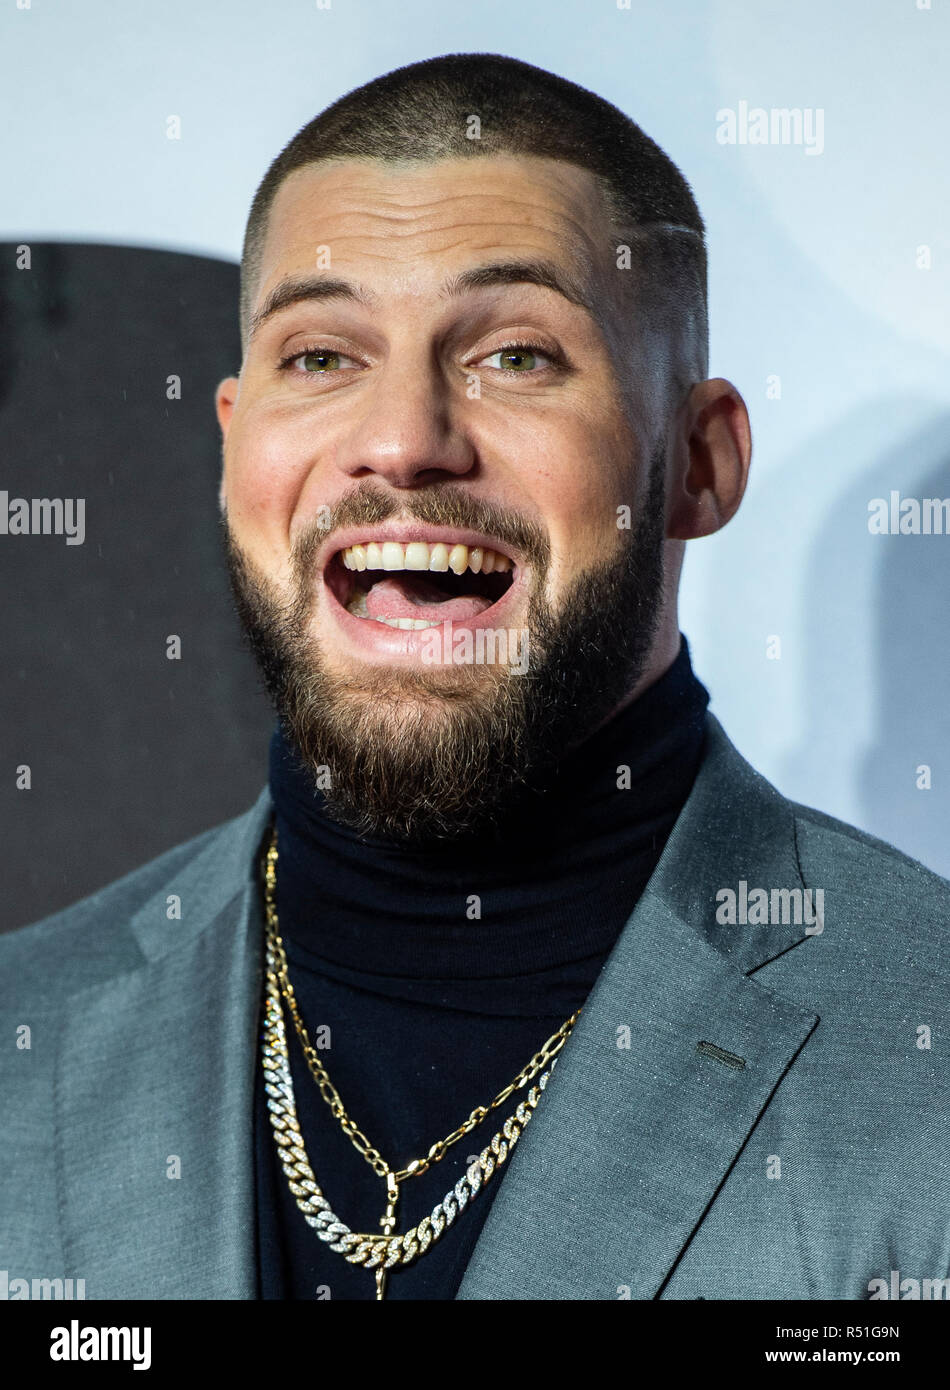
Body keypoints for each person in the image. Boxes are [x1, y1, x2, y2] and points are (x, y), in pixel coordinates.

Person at [2, 53, 948, 1303]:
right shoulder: (26, 1034)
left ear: (699, 465)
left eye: (514, 354)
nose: (400, 439)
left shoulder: (917, 1057)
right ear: (234, 452)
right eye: (320, 356)